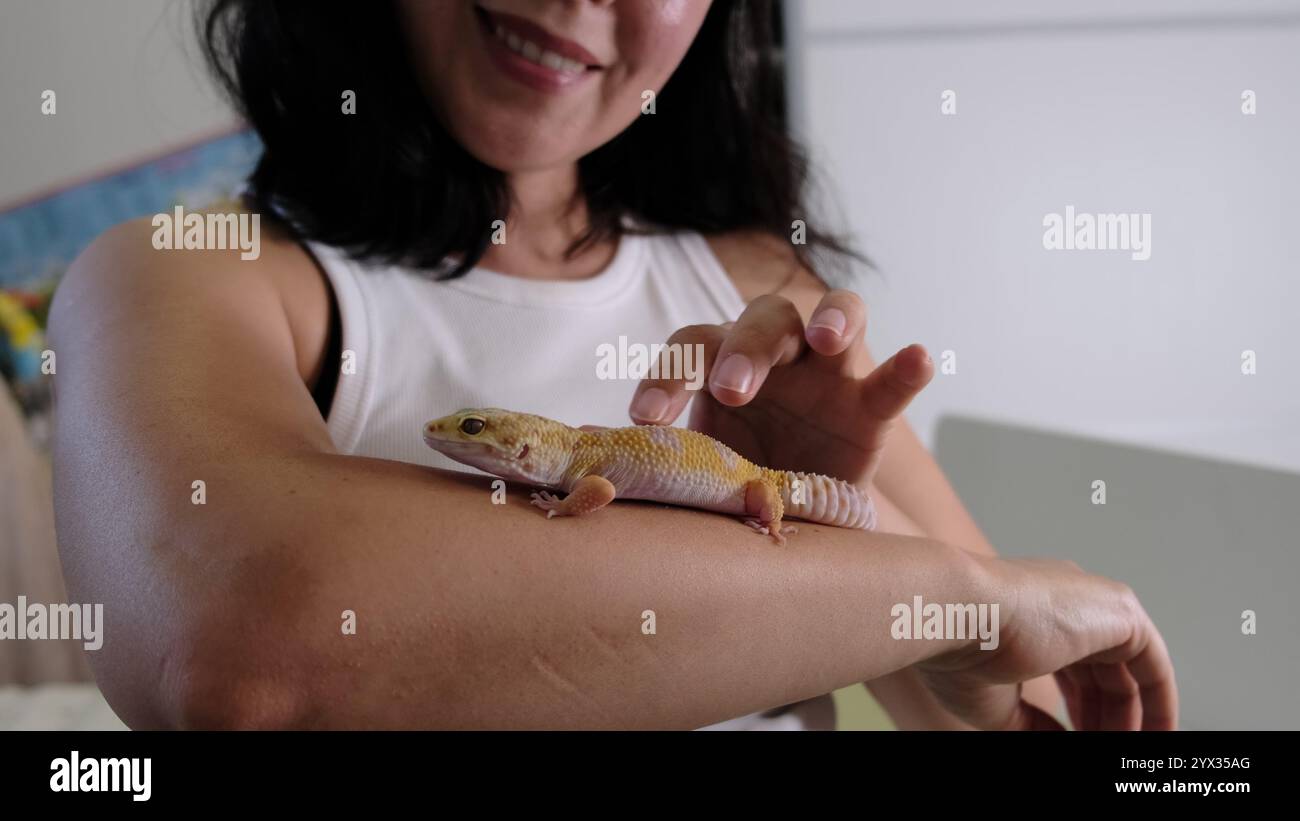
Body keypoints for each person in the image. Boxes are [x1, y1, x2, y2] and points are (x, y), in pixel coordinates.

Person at [48, 0, 1176, 730]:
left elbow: (1020, 692)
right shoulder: (195, 271)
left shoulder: (753, 284)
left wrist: (946, 666)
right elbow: (239, 651)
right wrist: (929, 595)